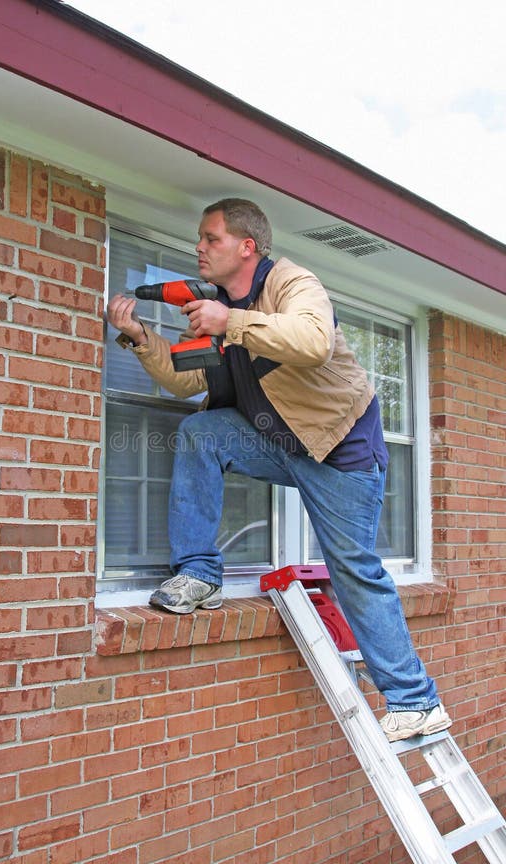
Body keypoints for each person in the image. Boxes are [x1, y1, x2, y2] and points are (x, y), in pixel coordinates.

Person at [107, 198, 451, 742]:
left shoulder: (292, 282)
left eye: (210, 238)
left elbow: (313, 343)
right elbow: (186, 380)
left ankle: (415, 701)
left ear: (247, 246)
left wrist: (233, 322)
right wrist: (142, 340)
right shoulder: (215, 307)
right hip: (281, 445)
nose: (199, 247)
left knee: (354, 571)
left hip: (340, 457)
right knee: (202, 430)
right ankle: (199, 574)